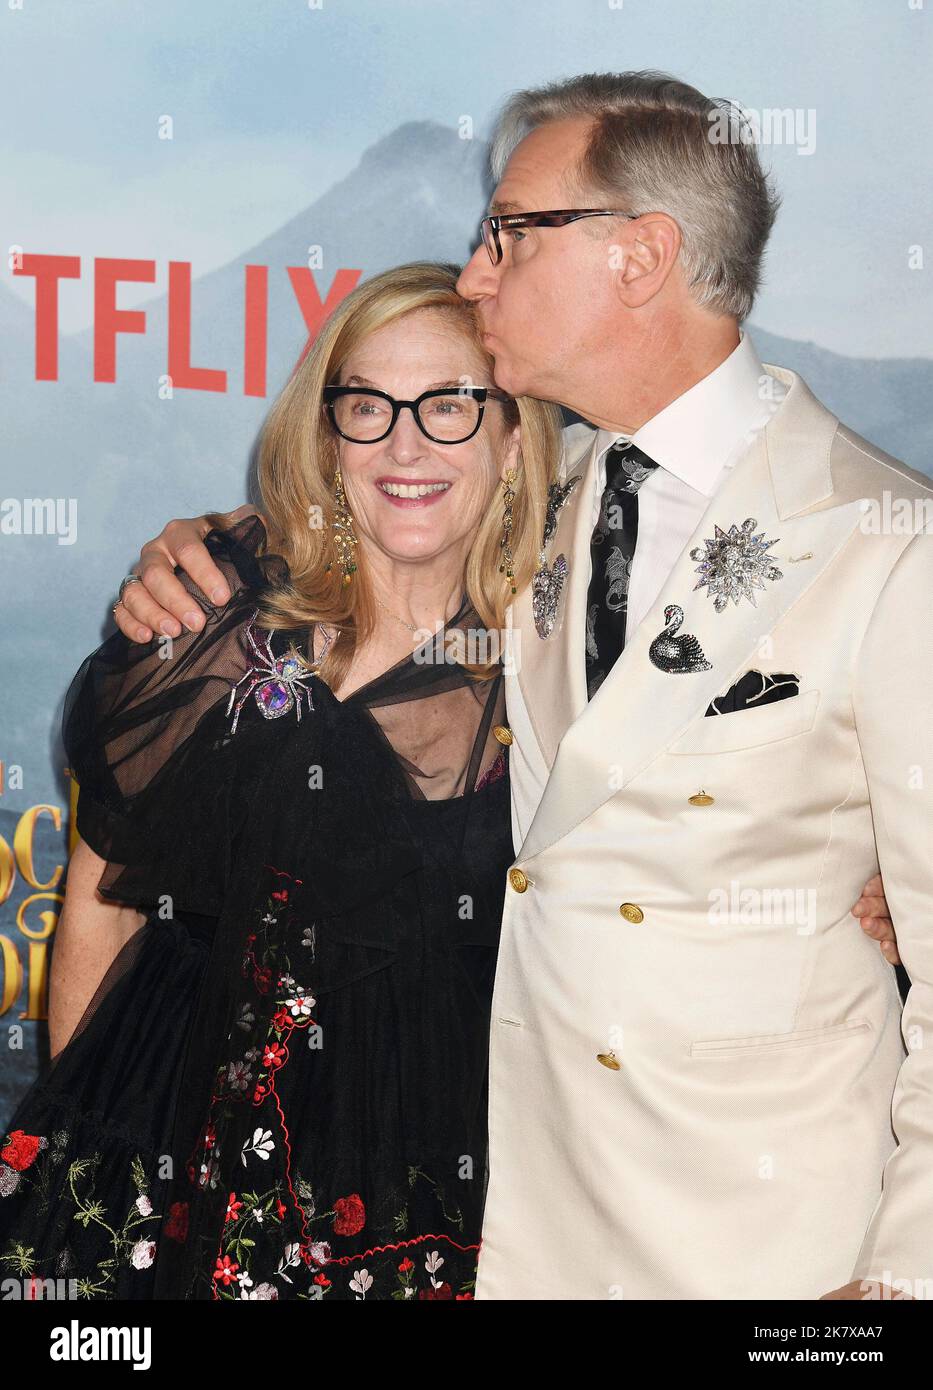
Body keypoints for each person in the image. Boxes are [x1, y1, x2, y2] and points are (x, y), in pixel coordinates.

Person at [111, 71, 918, 1302]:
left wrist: (901, 1282)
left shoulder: (885, 541)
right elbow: (372, 519)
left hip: (774, 1257)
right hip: (515, 1239)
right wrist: (206, 556)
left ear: (640, 256)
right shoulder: (533, 501)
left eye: (509, 232)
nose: (475, 270)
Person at [0, 261, 564, 1300]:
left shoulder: (561, 667)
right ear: (326, 434)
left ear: (513, 438)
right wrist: (89, 1152)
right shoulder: (216, 607)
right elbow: (102, 896)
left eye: (448, 405)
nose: (405, 445)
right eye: (367, 407)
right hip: (168, 1139)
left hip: (422, 1184)